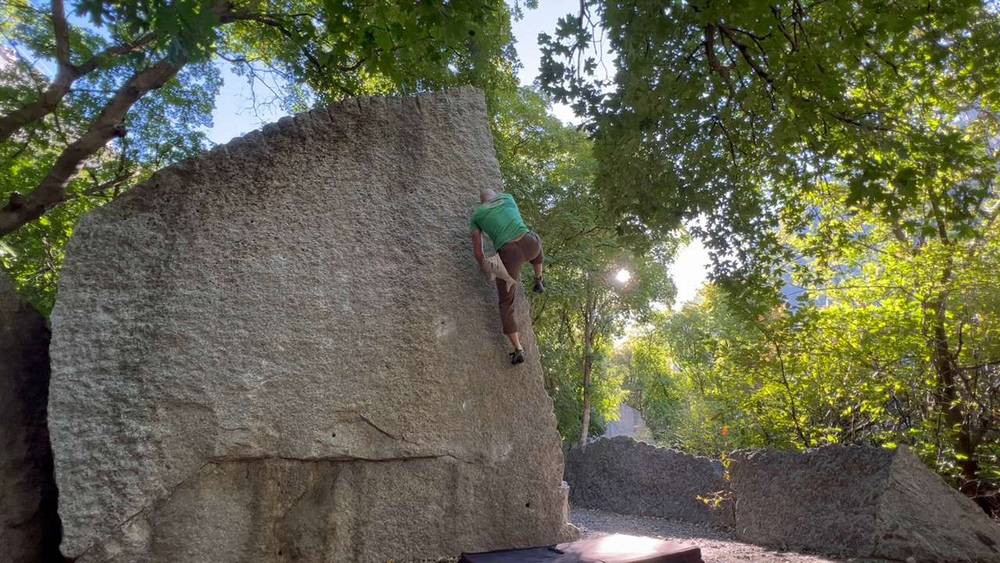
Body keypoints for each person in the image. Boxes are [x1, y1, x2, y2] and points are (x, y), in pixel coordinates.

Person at [470, 188, 544, 365]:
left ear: (482, 202)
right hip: (529, 244)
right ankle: (539, 279)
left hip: (509, 255)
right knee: (536, 240)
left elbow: (479, 253)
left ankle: (518, 349)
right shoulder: (508, 198)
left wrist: (486, 268)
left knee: (506, 302)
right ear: (496, 195)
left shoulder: (477, 215)